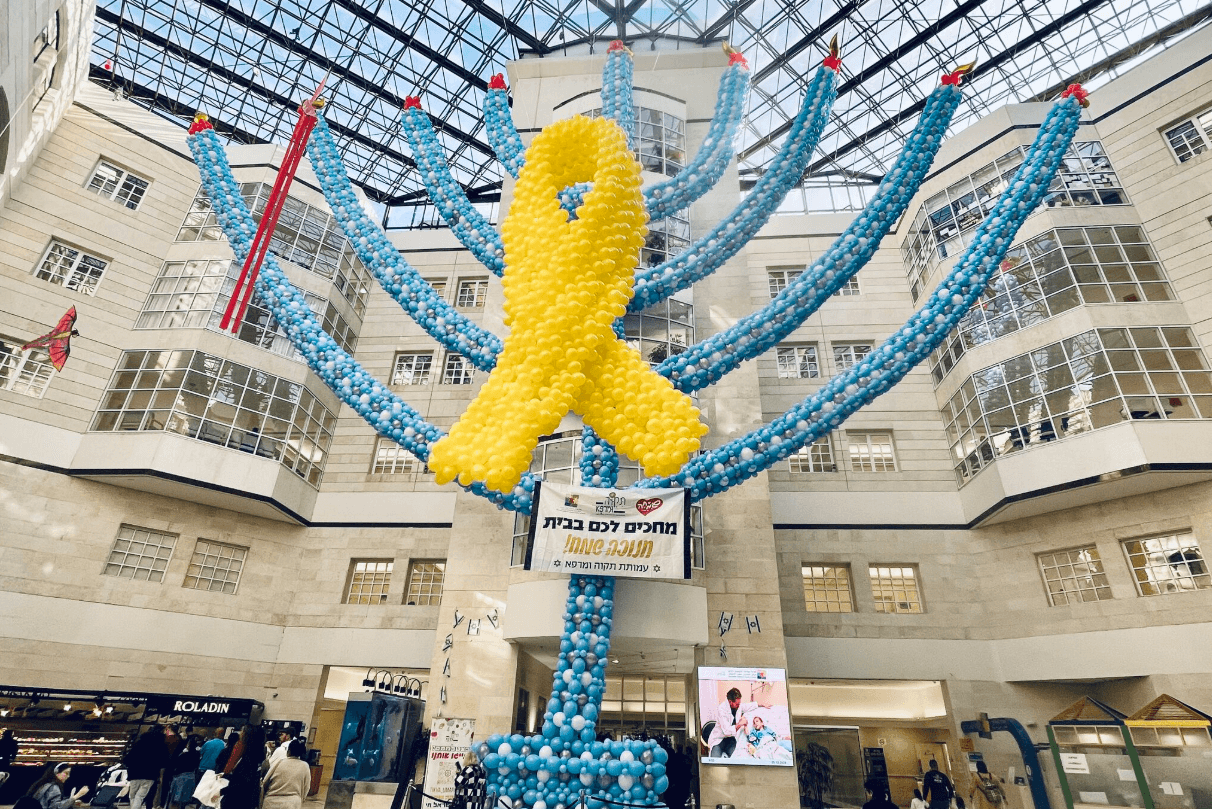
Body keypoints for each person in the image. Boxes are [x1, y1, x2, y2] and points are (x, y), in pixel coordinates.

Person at [705, 687, 769, 758]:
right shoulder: (722, 710)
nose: (739, 705)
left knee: (736, 757)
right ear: (730, 702)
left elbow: (747, 706)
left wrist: (761, 704)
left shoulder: (738, 706)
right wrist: (740, 724)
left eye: (739, 703)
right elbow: (727, 731)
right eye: (737, 704)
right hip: (719, 740)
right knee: (715, 759)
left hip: (731, 740)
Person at [219, 725, 265, 809]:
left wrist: (223, 790)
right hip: (245, 800)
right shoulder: (256, 756)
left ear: (248, 736)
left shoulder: (249, 758)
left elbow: (241, 782)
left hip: (237, 800)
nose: (240, 733)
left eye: (242, 731)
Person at [126, 727, 171, 809]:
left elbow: (128, 758)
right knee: (140, 796)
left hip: (135, 773)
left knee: (132, 795)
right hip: (150, 774)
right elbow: (164, 761)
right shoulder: (161, 745)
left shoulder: (139, 743)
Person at [260, 739, 311, 809]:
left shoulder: (279, 762)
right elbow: (306, 788)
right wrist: (300, 800)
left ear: (288, 751)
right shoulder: (305, 766)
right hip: (292, 803)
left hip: (271, 802)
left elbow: (265, 782)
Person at [167, 735, 202, 809]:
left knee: (175, 799)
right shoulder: (197, 755)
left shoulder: (183, 755)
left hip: (180, 777)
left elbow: (177, 766)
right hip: (191, 777)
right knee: (185, 800)